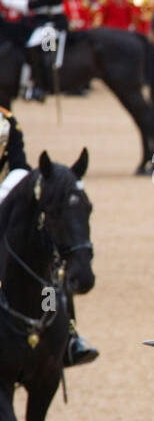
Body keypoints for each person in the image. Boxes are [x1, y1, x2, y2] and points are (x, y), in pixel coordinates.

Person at [0, 107, 97, 366]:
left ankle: (64, 332)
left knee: (48, 266)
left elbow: (17, 164)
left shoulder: (6, 118)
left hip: (5, 191)